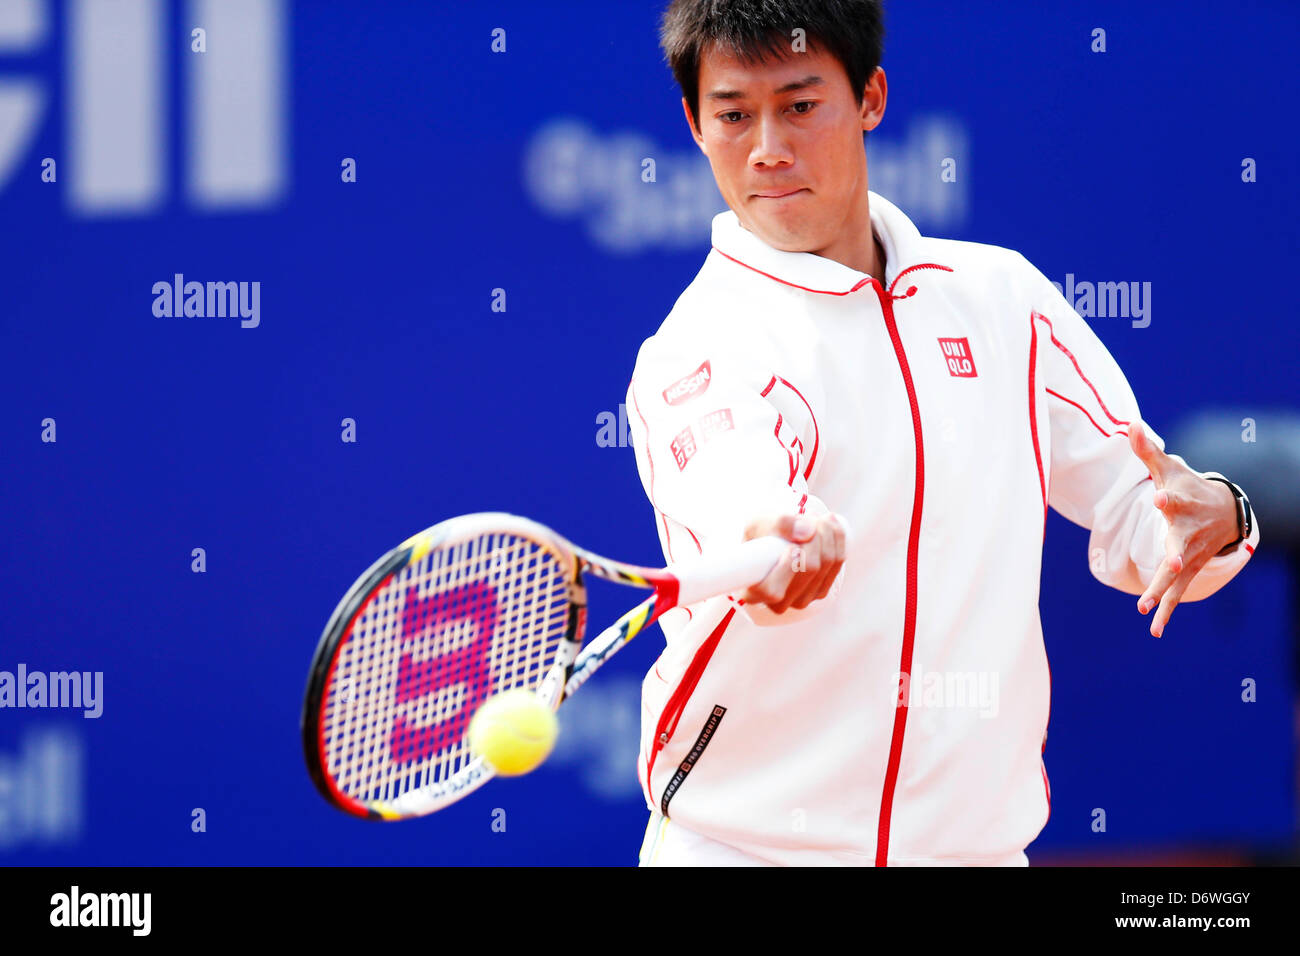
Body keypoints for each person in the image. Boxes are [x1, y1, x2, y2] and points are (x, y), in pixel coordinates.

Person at [626, 0, 1259, 866]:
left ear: (871, 98)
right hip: (742, 850)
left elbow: (1139, 511)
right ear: (696, 126)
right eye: (734, 114)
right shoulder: (693, 351)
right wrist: (770, 546)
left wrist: (1216, 520)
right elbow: (738, 498)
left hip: (979, 853)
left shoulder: (1003, 298)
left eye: (801, 104)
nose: (766, 146)